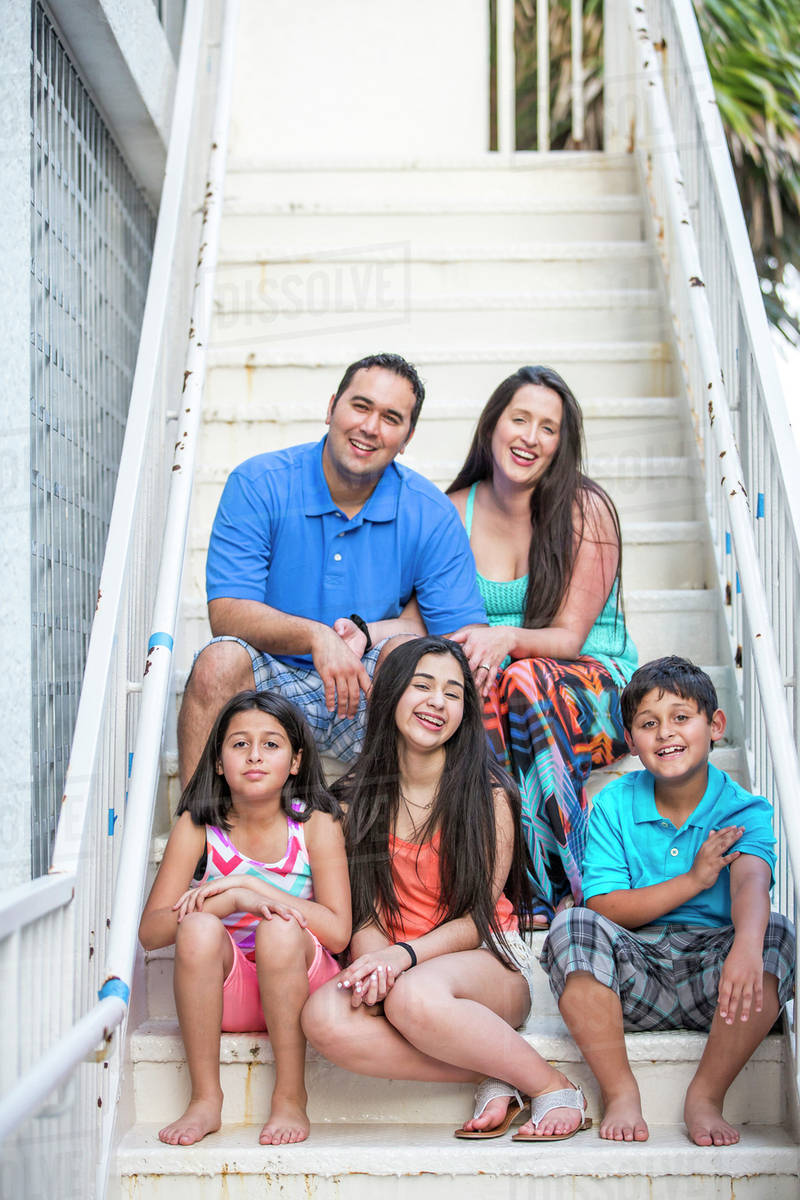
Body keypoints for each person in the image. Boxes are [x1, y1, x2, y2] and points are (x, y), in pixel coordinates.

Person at [301, 636, 593, 1142]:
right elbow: (363, 915)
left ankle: (553, 1084)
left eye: (453, 693)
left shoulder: (490, 796)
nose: (437, 701)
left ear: (465, 711)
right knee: (323, 1017)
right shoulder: (350, 802)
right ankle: (492, 1070)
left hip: (485, 961)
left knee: (413, 997)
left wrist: (402, 959)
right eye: (422, 686)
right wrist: (375, 963)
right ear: (391, 694)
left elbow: (475, 919)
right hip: (399, 960)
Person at [178, 352, 486, 785]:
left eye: (391, 418)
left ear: (407, 436)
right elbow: (227, 611)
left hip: (366, 691)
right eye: (360, 406)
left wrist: (386, 635)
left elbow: (462, 636)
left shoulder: (430, 512)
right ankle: (198, 835)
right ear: (331, 408)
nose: (370, 427)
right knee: (218, 662)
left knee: (411, 662)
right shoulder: (259, 483)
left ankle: (398, 835)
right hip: (270, 680)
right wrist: (315, 635)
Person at [540, 656, 795, 1145]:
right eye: (648, 724)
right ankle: (620, 1091)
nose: (665, 733)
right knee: (573, 924)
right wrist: (695, 879)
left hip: (720, 985)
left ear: (715, 725)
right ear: (631, 742)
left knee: (776, 931)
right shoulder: (614, 804)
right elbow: (606, 907)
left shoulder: (741, 808)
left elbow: (750, 884)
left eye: (681, 717)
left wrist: (745, 946)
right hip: (633, 979)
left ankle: (706, 1095)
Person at [446, 365, 638, 922]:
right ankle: (506, 883)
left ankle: (567, 882)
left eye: (548, 427)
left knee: (520, 677)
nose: (530, 436)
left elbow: (569, 638)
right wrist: (361, 632)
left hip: (599, 690)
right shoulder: (454, 510)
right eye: (520, 419)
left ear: (562, 443)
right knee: (477, 680)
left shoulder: (585, 508)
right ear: (492, 427)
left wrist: (504, 636)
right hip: (513, 695)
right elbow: (419, 617)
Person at [139, 691, 351, 1147]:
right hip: (228, 999)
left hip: (304, 992)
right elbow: (152, 931)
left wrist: (255, 890)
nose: (254, 755)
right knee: (195, 926)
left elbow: (337, 933)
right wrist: (231, 899)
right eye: (239, 744)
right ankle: (205, 1099)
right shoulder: (199, 826)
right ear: (217, 762)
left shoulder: (315, 823)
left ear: (295, 761)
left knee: (278, 928)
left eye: (271, 744)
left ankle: (291, 1095)